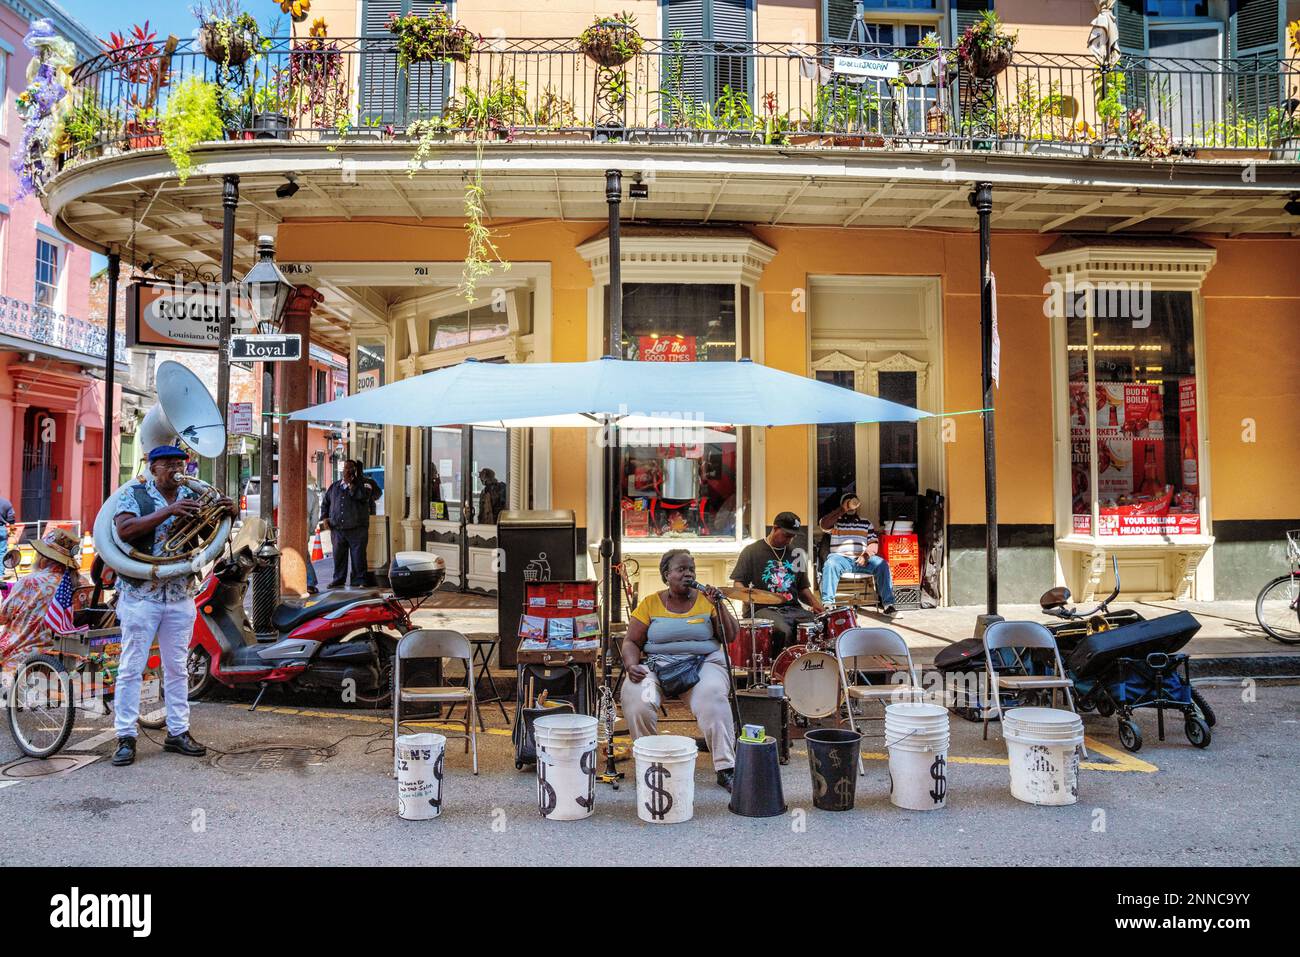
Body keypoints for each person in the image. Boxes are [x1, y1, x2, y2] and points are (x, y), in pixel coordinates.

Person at [111, 446, 239, 767]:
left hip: (179, 592)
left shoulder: (191, 495)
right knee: (131, 667)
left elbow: (210, 537)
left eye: (180, 464)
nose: (176, 470)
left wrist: (226, 514)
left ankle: (178, 731)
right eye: (168, 464)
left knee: (178, 667)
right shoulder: (134, 493)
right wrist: (167, 512)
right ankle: (125, 736)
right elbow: (124, 529)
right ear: (153, 468)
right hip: (141, 593)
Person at [621, 549, 738, 792]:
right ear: (667, 575)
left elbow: (730, 636)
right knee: (637, 697)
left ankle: (726, 767)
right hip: (659, 665)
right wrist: (632, 665)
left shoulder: (707, 599)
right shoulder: (650, 602)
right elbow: (631, 641)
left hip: (703, 663)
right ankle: (650, 763)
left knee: (713, 697)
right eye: (681, 569)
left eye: (691, 569)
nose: (688, 574)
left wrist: (720, 605)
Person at [728, 511, 824, 656]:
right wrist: (748, 598)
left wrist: (817, 605)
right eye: (786, 535)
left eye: (793, 536)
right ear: (774, 528)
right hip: (763, 609)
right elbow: (739, 583)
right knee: (783, 630)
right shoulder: (751, 551)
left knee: (817, 626)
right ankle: (779, 671)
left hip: (792, 609)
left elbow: (803, 588)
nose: (789, 540)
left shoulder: (796, 554)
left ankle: (805, 668)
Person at [0, 528, 88, 666]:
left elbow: (3, 617)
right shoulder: (81, 583)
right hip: (65, 652)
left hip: (20, 652)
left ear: (43, 558)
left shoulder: (30, 582)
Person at [819, 493, 897, 616]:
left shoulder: (865, 523)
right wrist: (842, 509)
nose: (851, 507)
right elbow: (823, 524)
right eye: (848, 503)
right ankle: (828, 604)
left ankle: (889, 605)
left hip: (862, 560)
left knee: (882, 564)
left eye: (853, 504)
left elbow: (873, 543)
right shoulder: (835, 522)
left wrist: (866, 555)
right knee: (830, 563)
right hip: (841, 559)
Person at [321, 460, 377, 589]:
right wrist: (325, 518)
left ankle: (359, 580)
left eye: (350, 468)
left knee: (358, 557)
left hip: (357, 529)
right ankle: (338, 579)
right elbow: (325, 503)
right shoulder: (334, 486)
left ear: (355, 471)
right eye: (345, 468)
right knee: (338, 556)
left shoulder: (364, 485)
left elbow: (363, 497)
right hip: (338, 530)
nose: (347, 471)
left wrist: (352, 484)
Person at [305, 477, 322, 595]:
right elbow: (315, 518)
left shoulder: (282, 492)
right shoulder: (312, 496)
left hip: (287, 526)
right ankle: (310, 582)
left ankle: (310, 582)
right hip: (304, 526)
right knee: (304, 555)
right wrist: (310, 530)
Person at [0, 493, 15, 572]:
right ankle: (0, 574)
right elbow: (11, 518)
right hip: (2, 529)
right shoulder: (6, 502)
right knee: (2, 552)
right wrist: (12, 531)